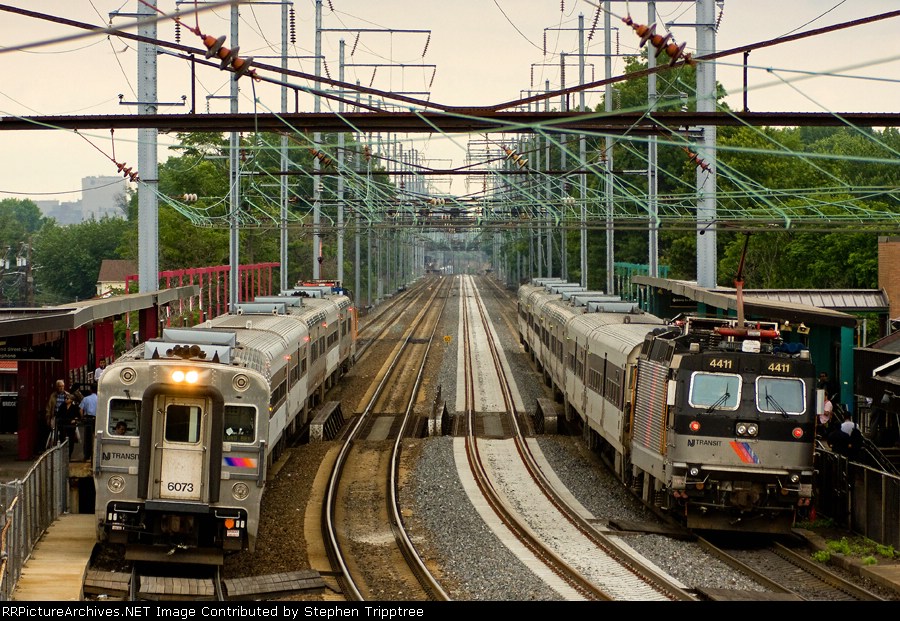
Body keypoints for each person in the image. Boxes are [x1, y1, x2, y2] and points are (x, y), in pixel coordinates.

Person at [45, 379, 72, 449]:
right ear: (57, 387)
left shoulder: (67, 395)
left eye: (63, 386)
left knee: (64, 433)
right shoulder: (53, 396)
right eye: (60, 386)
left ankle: (64, 447)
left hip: (65, 417)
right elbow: (49, 407)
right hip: (56, 416)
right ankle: (54, 447)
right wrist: (48, 417)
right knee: (54, 432)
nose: (62, 388)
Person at [55, 393, 81, 459]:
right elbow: (58, 415)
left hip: (71, 426)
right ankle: (63, 454)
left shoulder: (74, 407)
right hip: (63, 425)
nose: (66, 400)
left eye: (67, 398)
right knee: (62, 439)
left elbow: (78, 416)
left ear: (71, 400)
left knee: (71, 440)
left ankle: (69, 455)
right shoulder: (62, 406)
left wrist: (75, 420)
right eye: (65, 398)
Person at [79, 384, 98, 462]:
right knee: (96, 437)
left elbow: (80, 410)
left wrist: (82, 418)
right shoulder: (99, 399)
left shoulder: (86, 399)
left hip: (88, 419)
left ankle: (87, 456)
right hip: (97, 419)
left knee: (87, 438)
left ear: (90, 390)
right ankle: (95, 456)